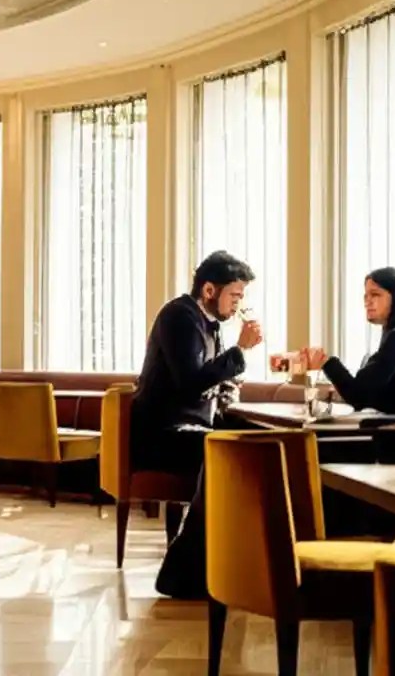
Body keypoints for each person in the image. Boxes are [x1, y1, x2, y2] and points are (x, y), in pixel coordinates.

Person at [131, 250, 264, 599]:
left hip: (188, 429)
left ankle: (233, 563)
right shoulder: (179, 316)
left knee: (257, 447)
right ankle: (183, 573)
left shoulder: (209, 325)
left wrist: (226, 389)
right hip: (162, 434)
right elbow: (189, 383)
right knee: (225, 456)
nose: (238, 304)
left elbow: (204, 384)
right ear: (209, 290)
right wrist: (239, 352)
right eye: (235, 295)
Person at [304, 266, 395, 464]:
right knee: (318, 444)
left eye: (376, 295)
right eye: (365, 296)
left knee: (311, 448)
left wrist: (326, 363)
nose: (368, 302)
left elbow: (359, 396)